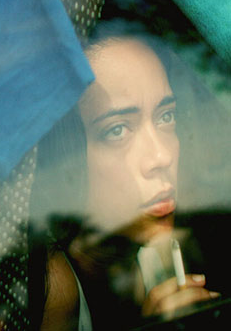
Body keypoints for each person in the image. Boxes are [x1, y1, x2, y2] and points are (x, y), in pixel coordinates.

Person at [30, 21, 231, 330]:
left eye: (166, 116)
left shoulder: (178, 244)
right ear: (65, 157)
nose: (161, 157)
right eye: (117, 130)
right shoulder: (53, 289)